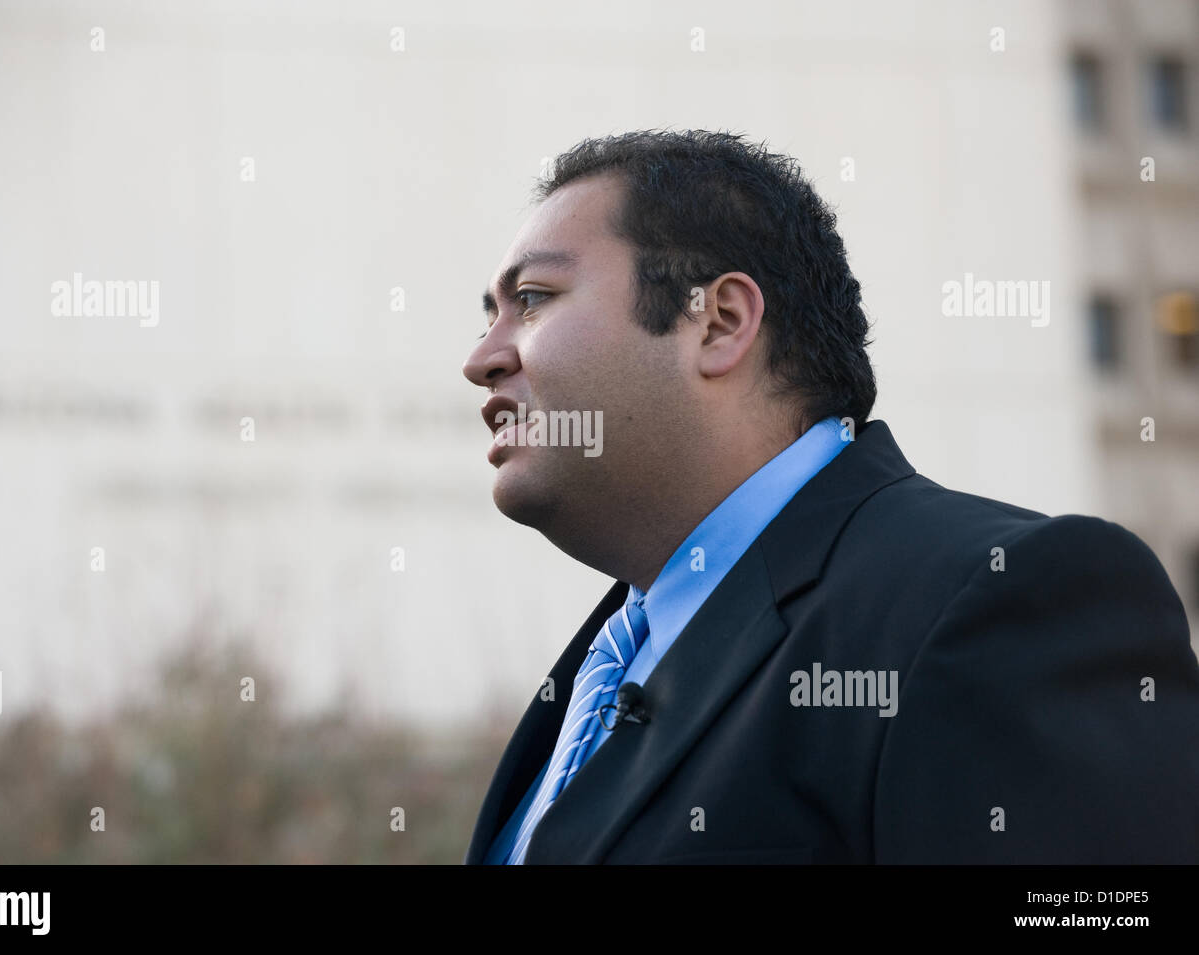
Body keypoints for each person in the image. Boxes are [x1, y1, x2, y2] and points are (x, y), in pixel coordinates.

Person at [460, 129, 1199, 864]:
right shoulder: (605, 666)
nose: (481, 359)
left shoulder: (1013, 603)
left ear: (717, 322)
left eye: (532, 298)